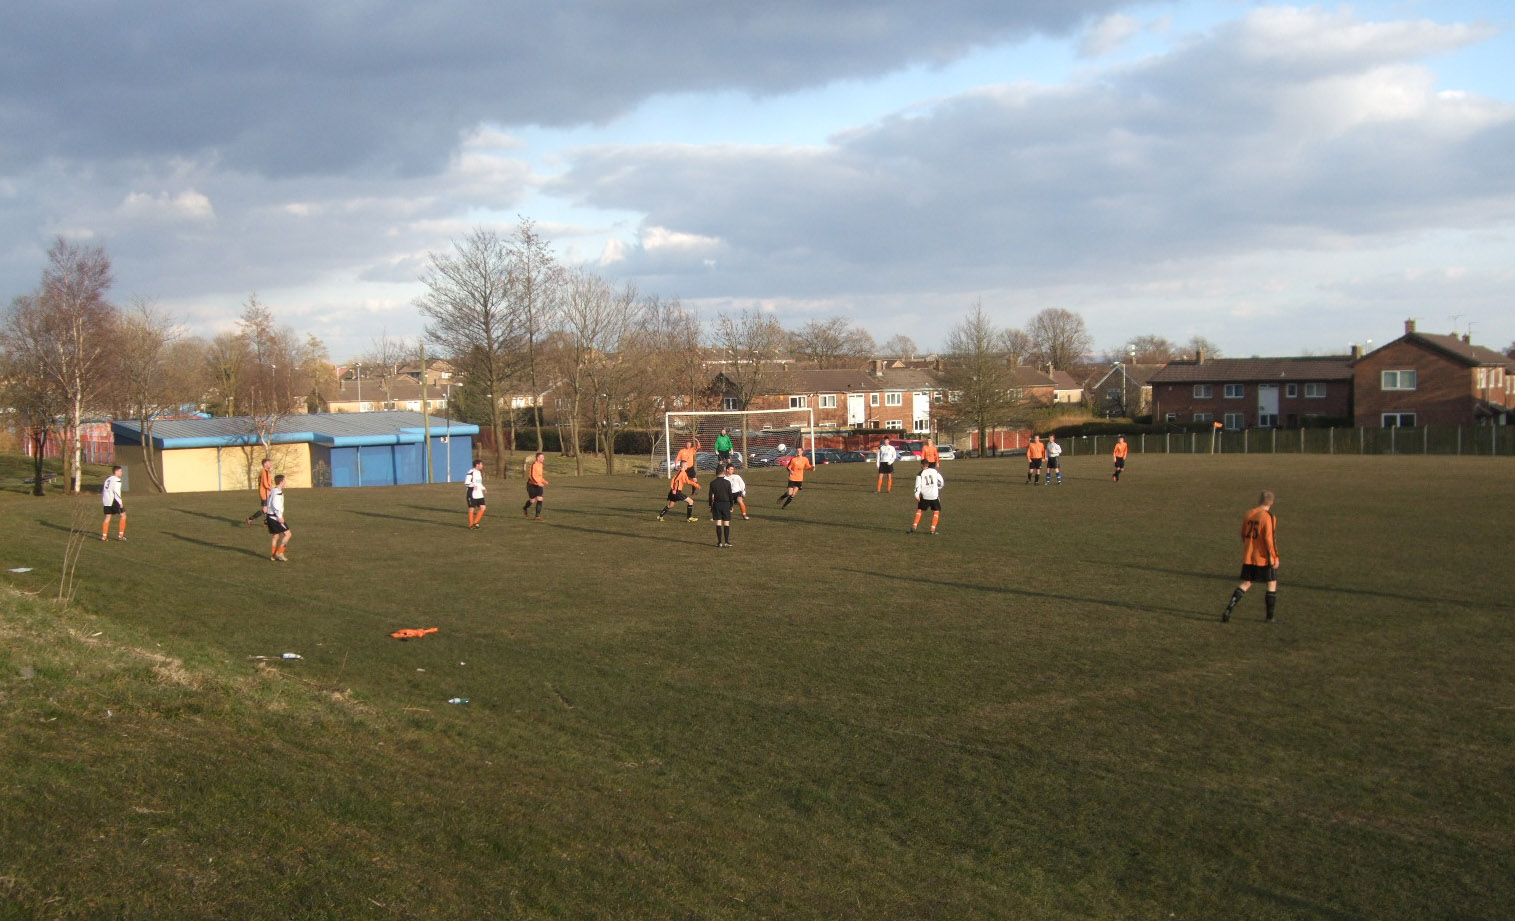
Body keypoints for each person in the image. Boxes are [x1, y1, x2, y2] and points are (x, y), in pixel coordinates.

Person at [1223, 491, 1280, 622]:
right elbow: (1269, 538)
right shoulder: (1268, 517)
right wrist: (1275, 556)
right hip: (1264, 557)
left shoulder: (1249, 513)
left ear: (1259, 500)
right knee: (1272, 583)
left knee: (1246, 583)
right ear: (1272, 502)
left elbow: (1243, 534)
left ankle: (1228, 610)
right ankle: (1270, 617)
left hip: (1249, 556)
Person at [908, 464, 945, 534]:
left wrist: (916, 494)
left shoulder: (920, 473)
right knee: (936, 511)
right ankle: (932, 530)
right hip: (934, 495)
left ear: (922, 465)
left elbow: (917, 485)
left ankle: (914, 527)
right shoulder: (934, 471)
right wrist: (938, 487)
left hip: (924, 495)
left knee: (920, 510)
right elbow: (941, 482)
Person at [707, 464, 736, 547]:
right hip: (726, 504)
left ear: (716, 473)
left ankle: (719, 542)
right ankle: (726, 542)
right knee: (726, 523)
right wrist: (731, 505)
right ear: (723, 472)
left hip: (717, 504)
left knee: (718, 523)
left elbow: (710, 495)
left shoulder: (712, 483)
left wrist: (710, 505)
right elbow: (730, 495)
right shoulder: (727, 483)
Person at [265, 474, 291, 561]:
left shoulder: (273, 490)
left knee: (276, 536)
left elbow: (269, 502)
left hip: (270, 516)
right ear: (281, 482)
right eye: (284, 480)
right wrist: (280, 517)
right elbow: (276, 506)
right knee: (288, 534)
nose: (285, 482)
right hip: (275, 518)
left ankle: (273, 555)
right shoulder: (278, 493)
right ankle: (280, 553)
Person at [244, 458, 274, 526]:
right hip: (265, 493)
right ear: (265, 464)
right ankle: (250, 519)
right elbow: (265, 484)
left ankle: (266, 522)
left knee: (267, 508)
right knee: (265, 509)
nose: (270, 464)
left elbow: (268, 481)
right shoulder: (264, 472)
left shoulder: (267, 472)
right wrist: (271, 488)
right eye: (269, 463)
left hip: (266, 492)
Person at [101, 465, 126, 541]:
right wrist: (120, 502)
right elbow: (117, 492)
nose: (122, 473)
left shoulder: (108, 479)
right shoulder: (117, 480)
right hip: (113, 500)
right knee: (123, 515)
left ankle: (104, 537)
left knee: (108, 517)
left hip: (106, 500)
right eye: (120, 471)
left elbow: (105, 490)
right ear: (116, 472)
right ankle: (121, 536)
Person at [522, 452, 548, 519]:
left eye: (543, 457)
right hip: (531, 485)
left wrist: (544, 481)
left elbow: (539, 476)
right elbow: (532, 476)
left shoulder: (541, 465)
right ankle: (525, 508)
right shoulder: (534, 465)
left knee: (540, 499)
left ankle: (537, 516)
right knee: (532, 501)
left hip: (539, 485)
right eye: (542, 457)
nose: (543, 458)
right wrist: (538, 483)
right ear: (538, 458)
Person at [464, 459, 486, 529]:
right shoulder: (471, 472)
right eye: (481, 464)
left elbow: (479, 483)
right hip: (472, 493)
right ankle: (471, 525)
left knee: (483, 507)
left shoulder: (479, 472)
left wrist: (483, 488)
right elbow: (467, 483)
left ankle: (475, 522)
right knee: (472, 508)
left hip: (479, 494)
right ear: (477, 465)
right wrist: (473, 485)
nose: (482, 466)